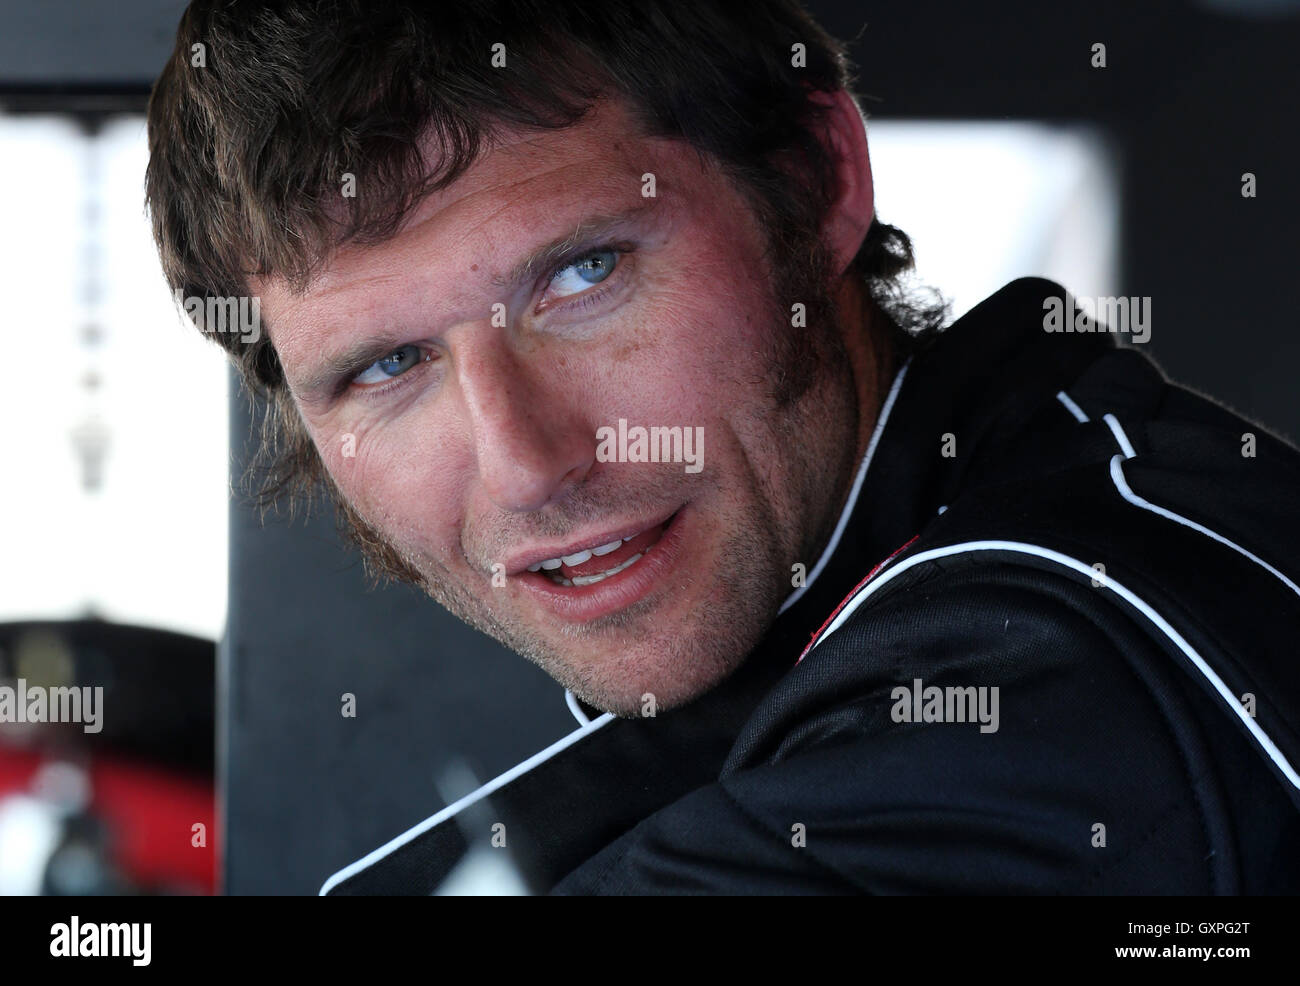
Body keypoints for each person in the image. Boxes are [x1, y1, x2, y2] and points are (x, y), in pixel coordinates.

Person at [146, 0, 1300, 894]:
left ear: (816, 182)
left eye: (581, 273)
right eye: (387, 366)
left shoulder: (1068, 661)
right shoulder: (827, 605)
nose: (527, 463)